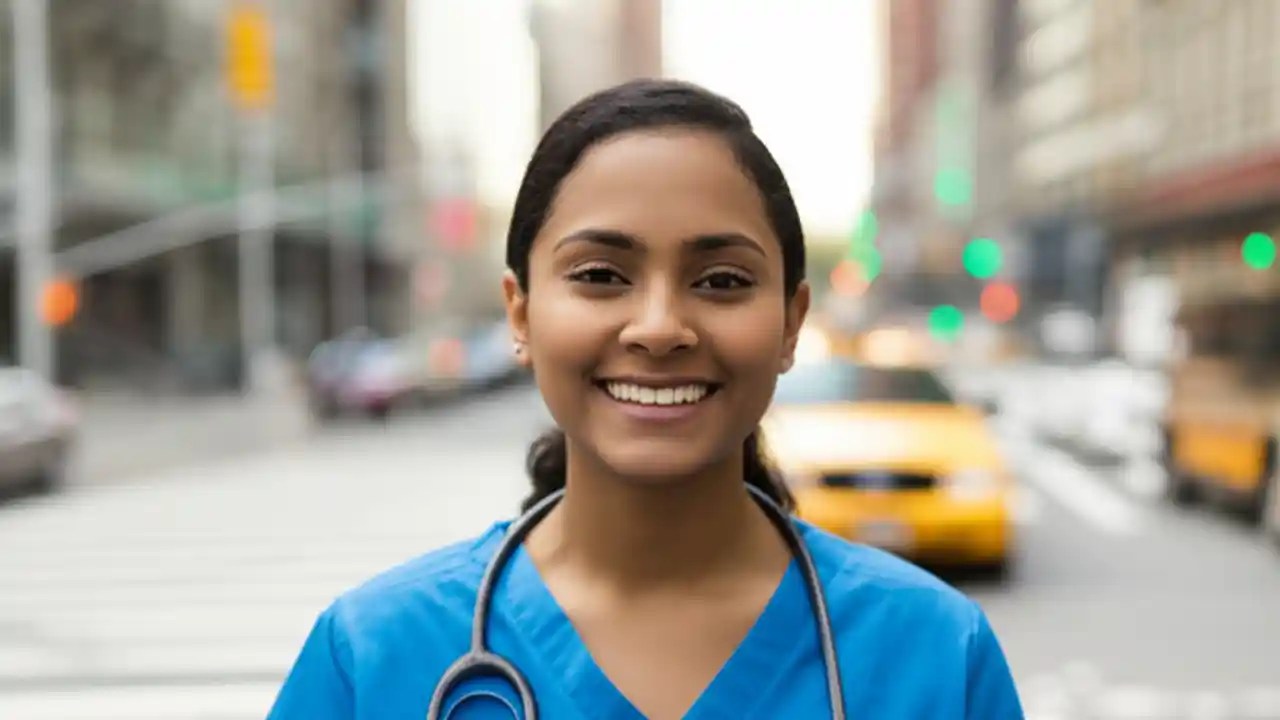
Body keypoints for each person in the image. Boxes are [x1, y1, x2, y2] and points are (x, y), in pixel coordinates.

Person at [267, 79, 1024, 720]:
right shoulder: (372, 659)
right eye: (600, 275)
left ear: (792, 323)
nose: (660, 328)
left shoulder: (934, 657)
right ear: (521, 314)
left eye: (722, 280)